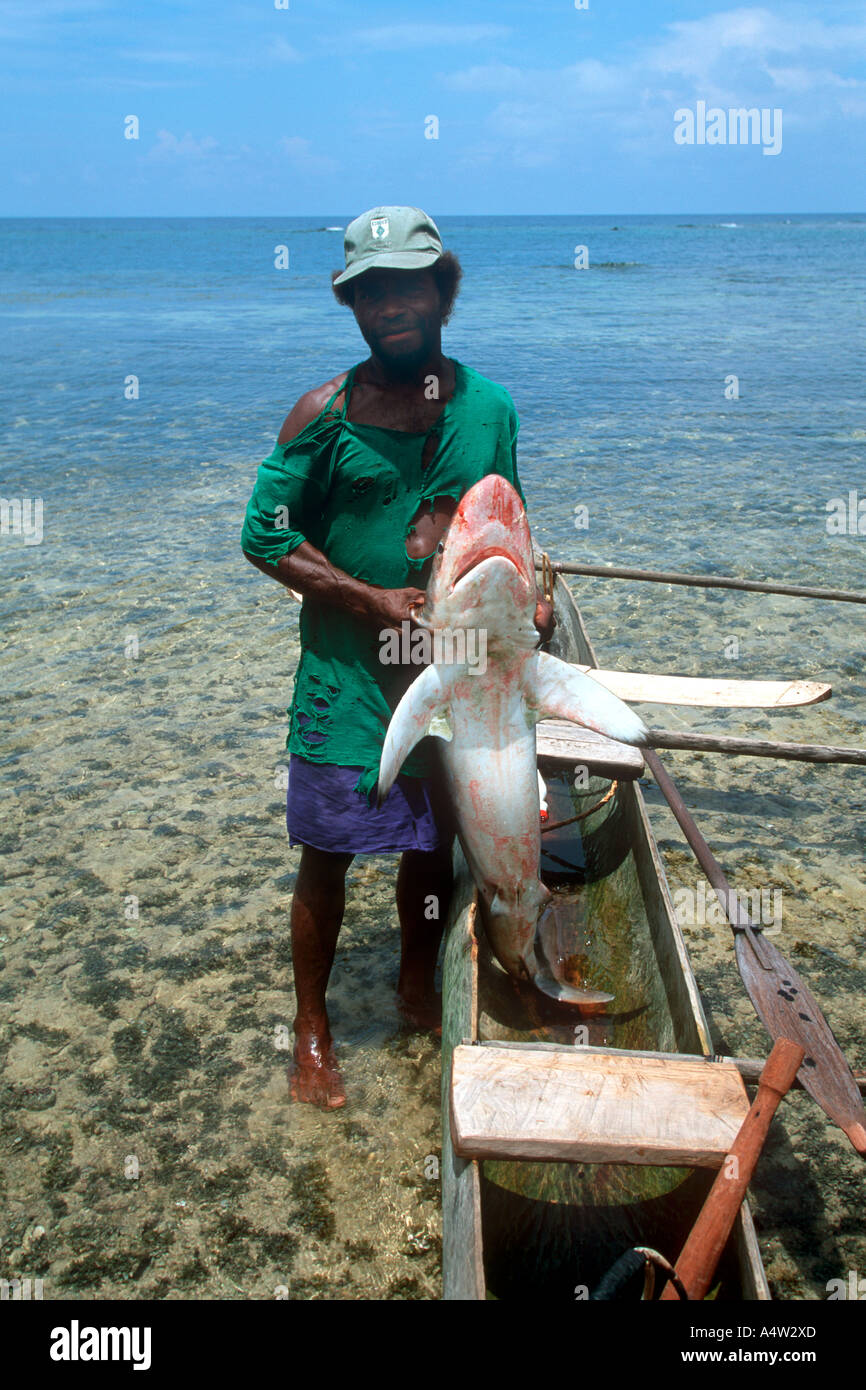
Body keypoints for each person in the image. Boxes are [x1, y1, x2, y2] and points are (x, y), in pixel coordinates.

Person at [241, 205, 553, 1109]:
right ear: (353, 306)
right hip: (347, 680)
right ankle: (312, 1027)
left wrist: (528, 596)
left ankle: (419, 984)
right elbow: (263, 536)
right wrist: (369, 599)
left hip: (455, 680)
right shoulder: (322, 414)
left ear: (441, 292)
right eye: (371, 291)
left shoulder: (489, 408)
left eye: (408, 285)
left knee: (432, 844)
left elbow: (510, 514)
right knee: (326, 852)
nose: (391, 306)